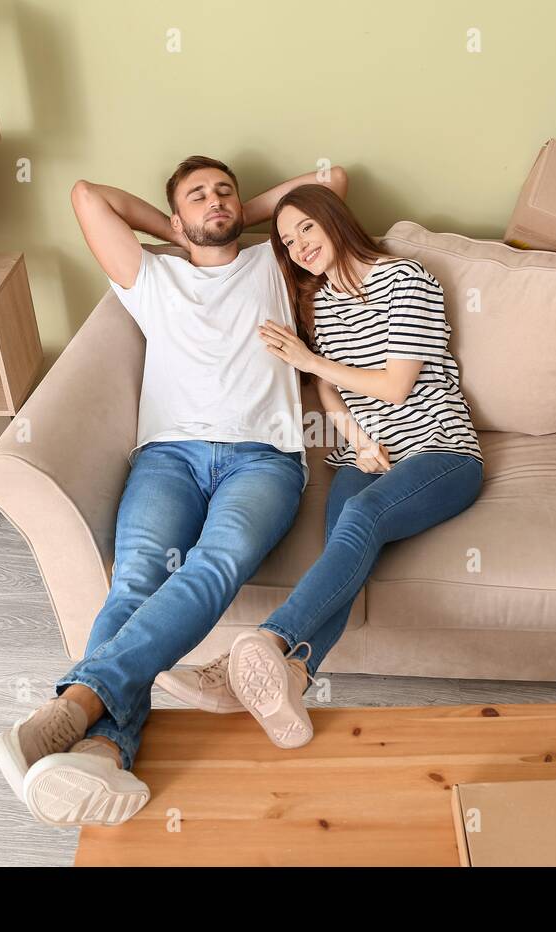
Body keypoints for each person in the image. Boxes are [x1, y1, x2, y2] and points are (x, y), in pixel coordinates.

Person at [0, 158, 348, 826]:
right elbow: (87, 194)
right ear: (174, 214)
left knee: (215, 566)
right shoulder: (150, 276)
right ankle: (101, 749)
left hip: (263, 460)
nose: (215, 200)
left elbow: (328, 183)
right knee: (133, 584)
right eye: (198, 195)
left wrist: (231, 219)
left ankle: (76, 703)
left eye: (226, 192)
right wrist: (180, 232)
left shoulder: (273, 261)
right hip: (168, 458)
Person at [156, 184, 483, 748]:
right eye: (287, 240)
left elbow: (396, 386)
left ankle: (262, 644)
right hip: (365, 452)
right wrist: (358, 441)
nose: (299, 245)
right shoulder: (321, 301)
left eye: (307, 227)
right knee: (344, 548)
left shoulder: (406, 278)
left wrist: (309, 358)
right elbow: (329, 390)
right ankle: (288, 676)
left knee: (362, 517)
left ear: (334, 220)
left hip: (441, 450)